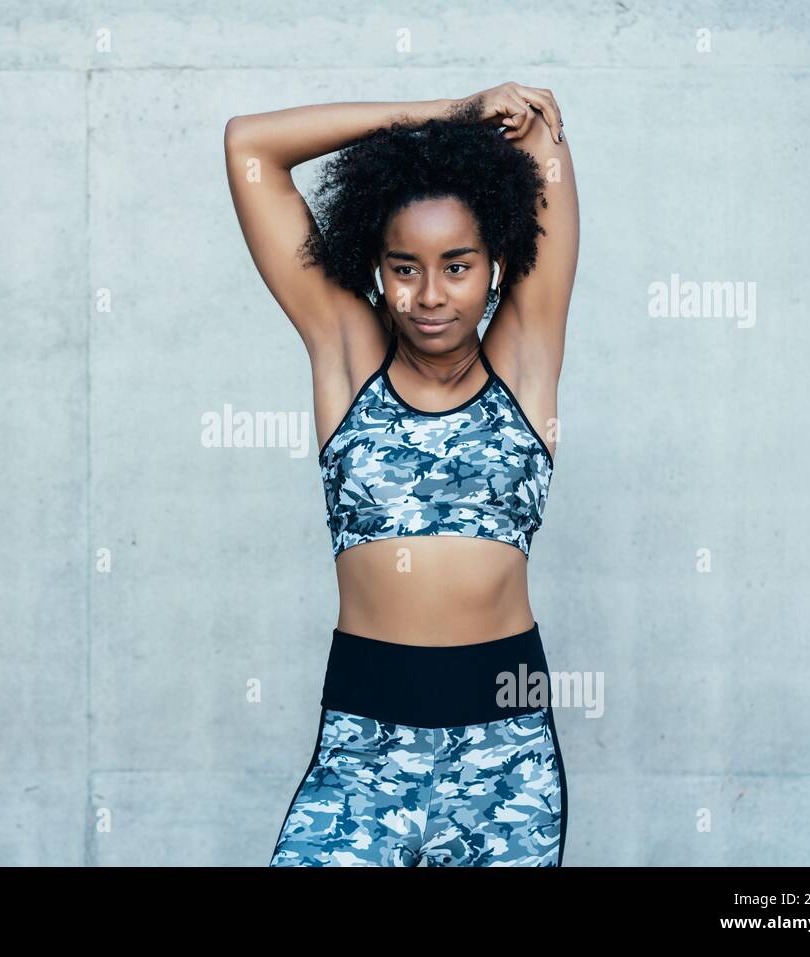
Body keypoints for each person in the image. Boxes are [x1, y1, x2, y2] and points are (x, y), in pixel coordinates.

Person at [224, 82, 579, 866]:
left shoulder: (525, 363)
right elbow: (250, 146)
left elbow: (545, 138)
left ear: (497, 264)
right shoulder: (348, 355)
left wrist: (518, 121)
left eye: (457, 265)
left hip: (505, 751)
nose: (429, 295)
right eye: (403, 267)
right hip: (362, 750)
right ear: (376, 269)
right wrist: (441, 116)